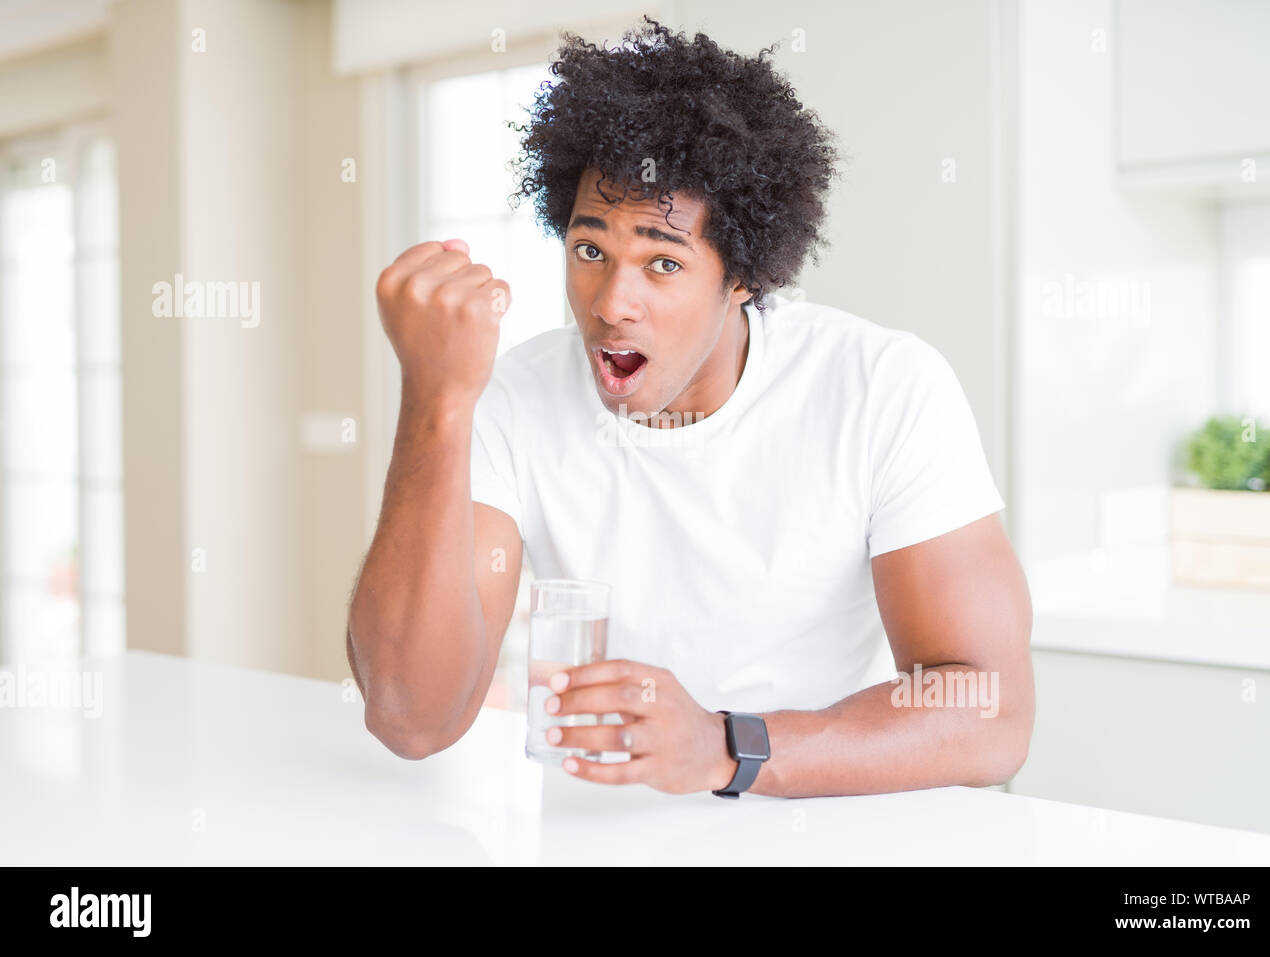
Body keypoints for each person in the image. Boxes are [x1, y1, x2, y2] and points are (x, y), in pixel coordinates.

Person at [346, 17, 1033, 799]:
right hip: (607, 839)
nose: (612, 303)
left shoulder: (881, 386)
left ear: (742, 274)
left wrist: (724, 748)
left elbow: (990, 709)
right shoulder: (512, 399)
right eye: (590, 249)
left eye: (662, 261)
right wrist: (436, 400)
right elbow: (412, 719)